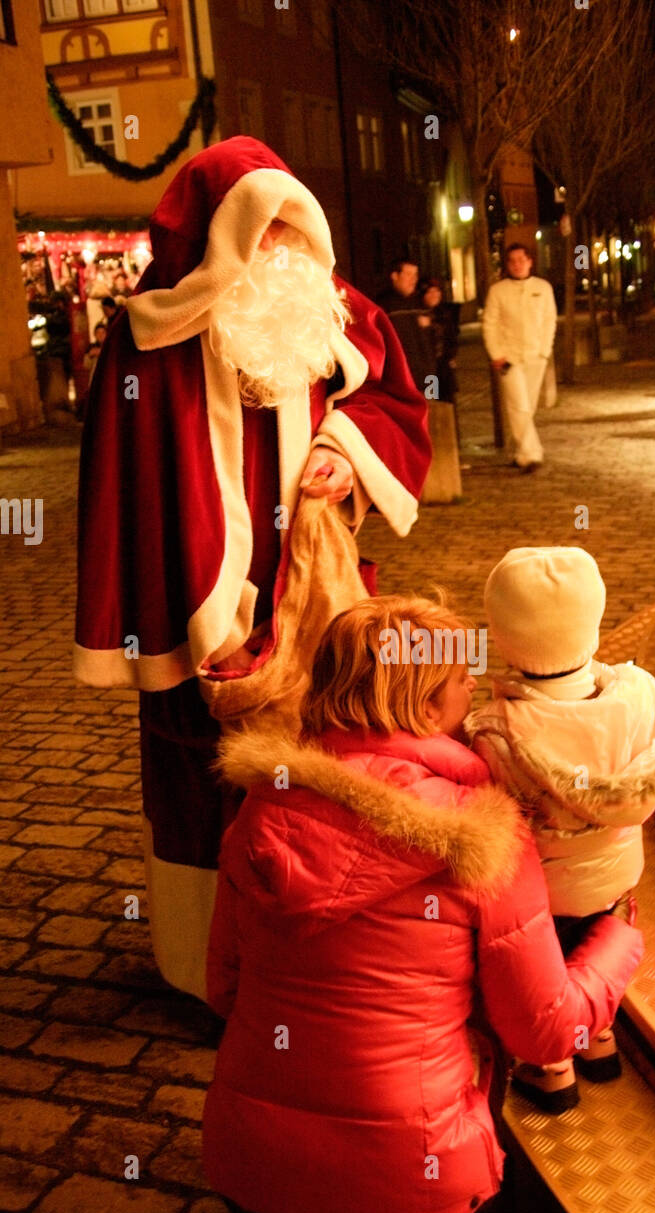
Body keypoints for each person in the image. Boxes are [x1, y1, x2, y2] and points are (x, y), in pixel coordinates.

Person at [203, 594, 644, 1213]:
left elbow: (223, 990)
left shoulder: (261, 807)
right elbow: (544, 1029)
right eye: (461, 678)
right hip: (420, 1191)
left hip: (248, 1175)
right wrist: (619, 936)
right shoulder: (482, 835)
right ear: (423, 698)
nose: (475, 685)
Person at [74, 137, 431, 1001]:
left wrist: (346, 452)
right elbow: (121, 486)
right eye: (258, 231)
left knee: (323, 762)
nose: (279, 250)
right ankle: (208, 971)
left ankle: (310, 961)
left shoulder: (331, 310)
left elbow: (390, 402)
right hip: (193, 601)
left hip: (313, 598)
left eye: (289, 229)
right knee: (201, 782)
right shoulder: (147, 336)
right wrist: (166, 600)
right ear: (216, 239)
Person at [466, 547, 655, 1112]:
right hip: (616, 871)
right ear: (594, 621)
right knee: (600, 945)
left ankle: (552, 1065)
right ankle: (600, 1039)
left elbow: (489, 805)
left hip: (543, 889)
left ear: (502, 635)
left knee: (550, 970)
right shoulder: (640, 695)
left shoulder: (498, 728)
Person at [481, 243, 557, 473]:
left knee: (526, 407)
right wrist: (497, 354)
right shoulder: (498, 290)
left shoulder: (543, 288)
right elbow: (490, 324)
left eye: (521, 260)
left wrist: (544, 350)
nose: (517, 264)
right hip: (509, 358)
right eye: (512, 261)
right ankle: (532, 454)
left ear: (530, 261)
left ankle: (520, 451)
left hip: (536, 355)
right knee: (519, 405)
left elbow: (549, 320)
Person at [376, 257, 437, 393]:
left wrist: (434, 381)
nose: (413, 279)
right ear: (395, 276)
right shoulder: (383, 307)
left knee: (433, 412)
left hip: (428, 378)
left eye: (415, 275)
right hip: (401, 381)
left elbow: (431, 344)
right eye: (408, 274)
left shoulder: (420, 304)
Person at [420, 276, 459, 403]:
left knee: (447, 403)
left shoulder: (445, 313)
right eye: (430, 292)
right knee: (431, 401)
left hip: (444, 368)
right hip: (428, 370)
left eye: (437, 291)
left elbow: (452, 338)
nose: (434, 295)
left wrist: (451, 356)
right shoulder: (418, 314)